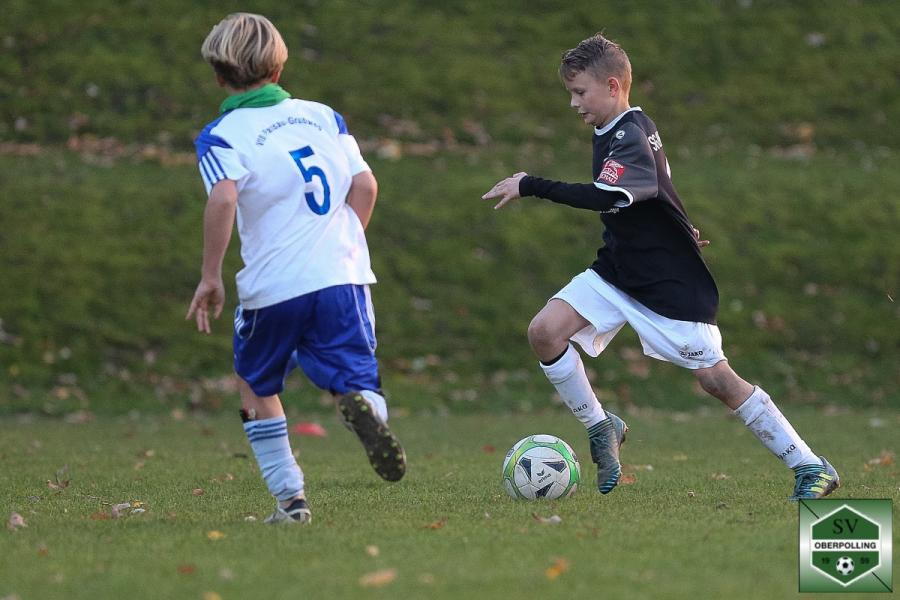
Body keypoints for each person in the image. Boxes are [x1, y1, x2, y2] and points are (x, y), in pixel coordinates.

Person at [482, 33, 838, 500]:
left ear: (612, 86)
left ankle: (810, 466)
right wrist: (681, 227)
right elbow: (658, 190)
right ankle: (600, 427)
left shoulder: (628, 132)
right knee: (545, 331)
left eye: (580, 92)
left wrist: (532, 184)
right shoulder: (615, 129)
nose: (573, 103)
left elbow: (609, 195)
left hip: (666, 282)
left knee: (716, 379)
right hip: (619, 269)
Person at [186, 13, 406, 525]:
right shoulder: (323, 116)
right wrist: (344, 241)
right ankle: (366, 412)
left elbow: (223, 197)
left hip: (274, 286)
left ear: (219, 76)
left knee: (254, 381)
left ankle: (291, 500)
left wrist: (211, 276)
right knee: (353, 374)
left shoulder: (220, 135)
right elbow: (366, 186)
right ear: (280, 66)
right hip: (341, 277)